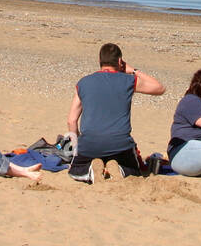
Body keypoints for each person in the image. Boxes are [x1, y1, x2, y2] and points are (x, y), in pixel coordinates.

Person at [67, 42, 165, 183]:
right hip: (120, 144)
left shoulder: (83, 83)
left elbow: (71, 120)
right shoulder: (128, 81)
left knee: (75, 171)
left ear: (100, 61)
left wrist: (77, 146)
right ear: (120, 61)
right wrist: (134, 70)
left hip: (90, 144)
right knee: (134, 170)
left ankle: (89, 172)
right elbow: (159, 88)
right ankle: (120, 170)